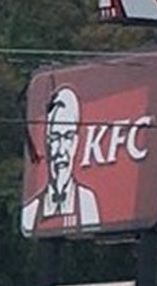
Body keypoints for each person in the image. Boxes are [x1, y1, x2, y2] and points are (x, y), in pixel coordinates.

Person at [21, 86, 101, 235]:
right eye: (55, 138)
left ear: (76, 142)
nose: (61, 151)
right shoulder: (30, 213)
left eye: (68, 137)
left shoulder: (87, 202)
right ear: (46, 143)